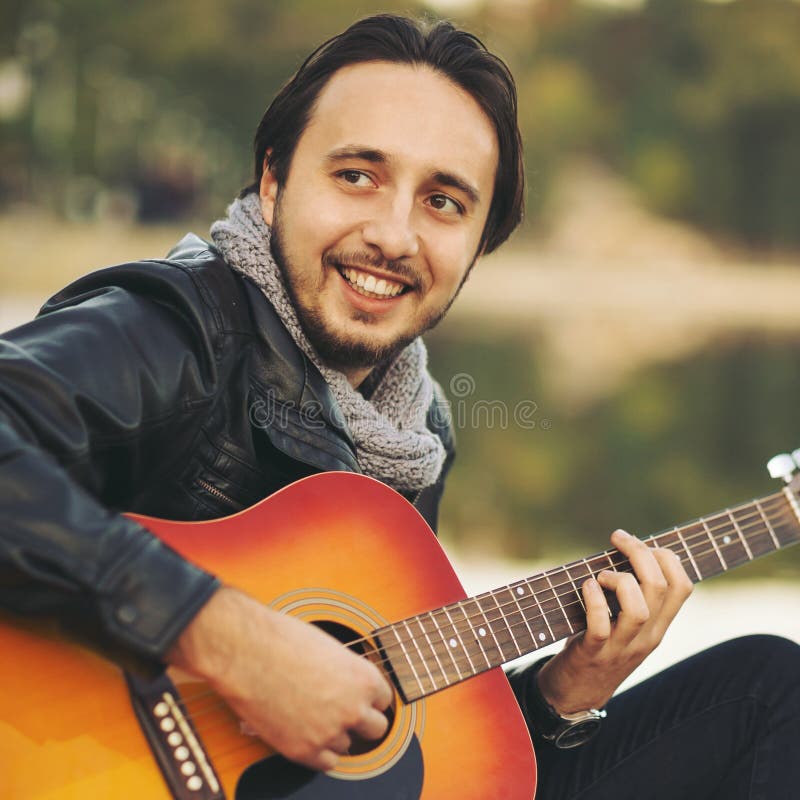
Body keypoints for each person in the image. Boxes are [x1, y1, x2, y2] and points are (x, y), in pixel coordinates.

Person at [1, 13, 797, 798]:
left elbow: (414, 757)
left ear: (478, 245)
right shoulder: (174, 332)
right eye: (357, 175)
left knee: (765, 689)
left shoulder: (413, 437)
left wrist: (565, 694)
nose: (394, 235)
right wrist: (219, 634)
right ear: (273, 181)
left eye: (444, 202)